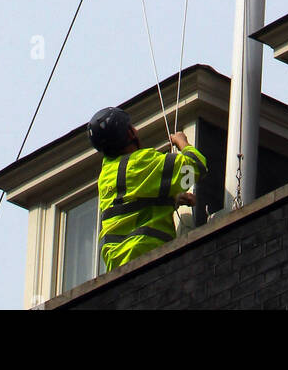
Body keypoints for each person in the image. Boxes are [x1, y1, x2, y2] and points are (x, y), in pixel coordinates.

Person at [87, 106, 207, 271]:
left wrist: (172, 200)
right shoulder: (141, 163)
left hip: (116, 267)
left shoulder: (106, 175)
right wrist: (183, 143)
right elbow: (195, 168)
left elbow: (133, 203)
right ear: (130, 133)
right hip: (147, 256)